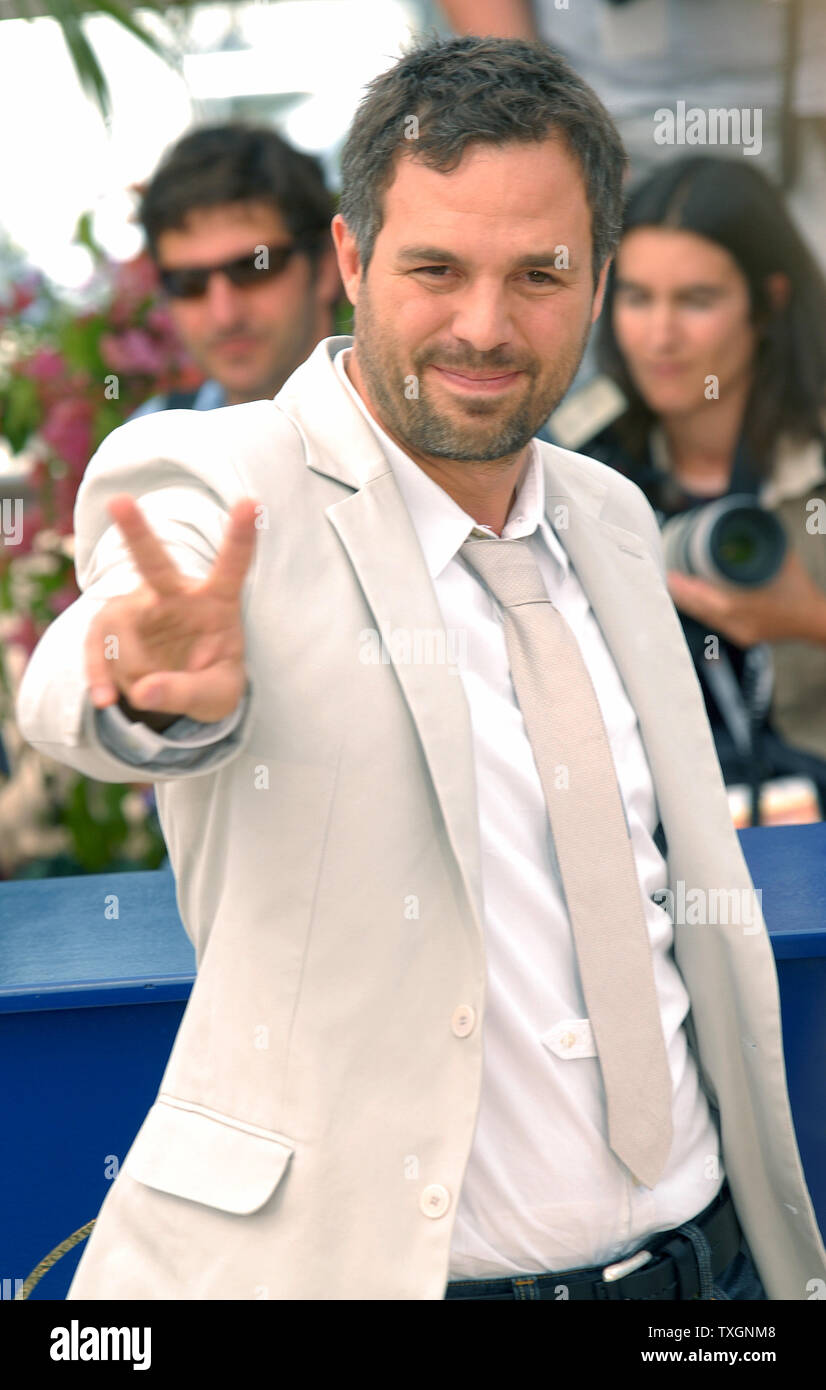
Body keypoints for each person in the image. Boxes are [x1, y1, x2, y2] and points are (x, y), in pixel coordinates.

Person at [16, 35, 825, 1301]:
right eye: (435, 268)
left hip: (696, 1277)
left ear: (600, 276)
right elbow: (88, 672)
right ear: (349, 261)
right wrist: (150, 681)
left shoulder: (609, 511)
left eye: (539, 274)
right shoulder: (220, 482)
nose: (485, 327)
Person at [559, 155, 826, 821]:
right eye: (637, 296)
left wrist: (805, 623)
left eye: (696, 301)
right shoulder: (574, 458)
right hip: (655, 842)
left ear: (770, 303)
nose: (659, 336)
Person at [130, 124, 342, 417]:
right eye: (188, 281)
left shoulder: (408, 444)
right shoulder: (147, 444)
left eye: (253, 268)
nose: (225, 316)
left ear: (327, 266)